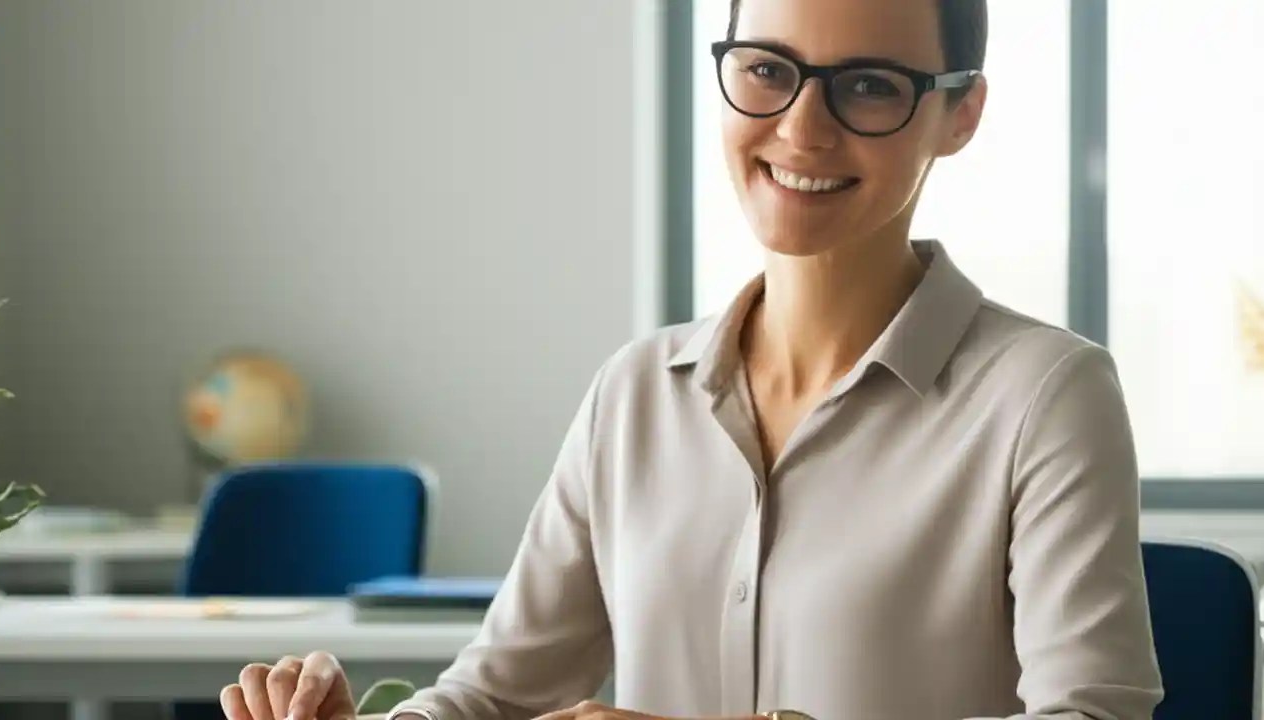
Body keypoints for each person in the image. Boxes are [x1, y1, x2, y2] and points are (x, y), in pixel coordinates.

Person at [219, 0, 1164, 718]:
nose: (802, 127)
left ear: (959, 115)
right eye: (766, 70)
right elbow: (496, 697)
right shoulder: (633, 393)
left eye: (869, 84)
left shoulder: (1047, 396)